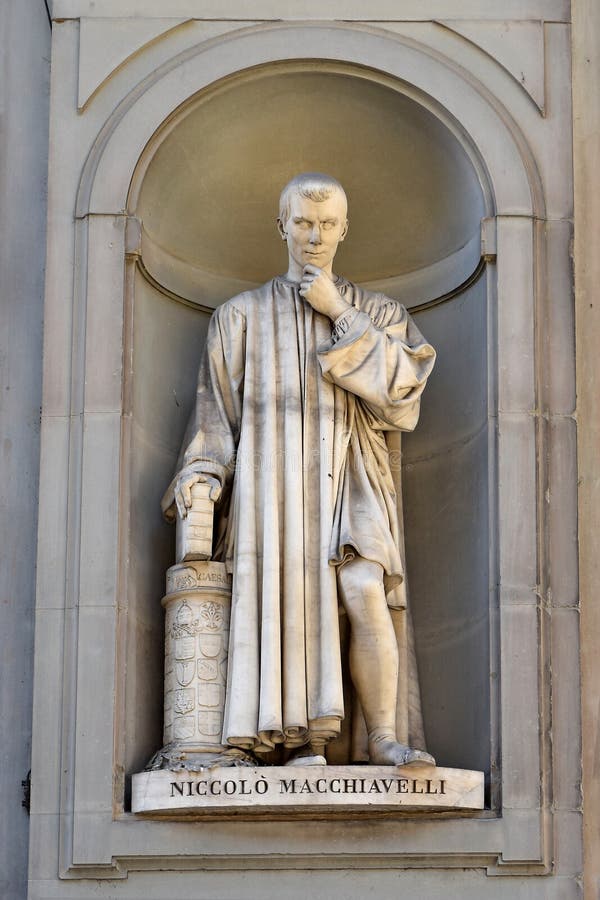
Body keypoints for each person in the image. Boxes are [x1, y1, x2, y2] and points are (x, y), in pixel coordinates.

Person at [162, 173, 436, 767]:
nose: (315, 237)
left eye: (328, 224)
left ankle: (383, 735)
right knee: (291, 603)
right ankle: (301, 742)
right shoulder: (240, 317)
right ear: (282, 225)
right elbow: (215, 417)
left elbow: (402, 394)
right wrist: (201, 476)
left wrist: (338, 309)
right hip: (274, 486)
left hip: (353, 471)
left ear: (344, 229)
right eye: (304, 223)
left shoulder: (380, 311)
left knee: (366, 588)